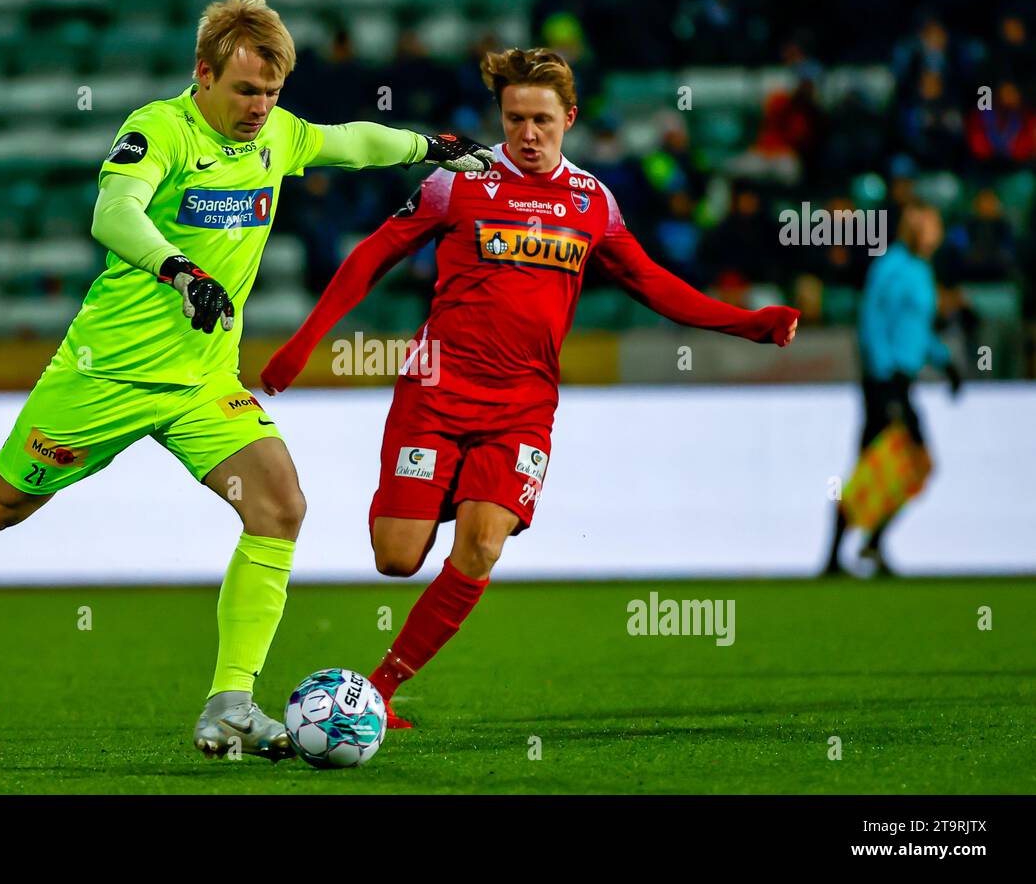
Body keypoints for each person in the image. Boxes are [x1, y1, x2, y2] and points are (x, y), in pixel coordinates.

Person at [0, 0, 495, 760]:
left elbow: (347, 141)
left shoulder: (278, 136)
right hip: (104, 375)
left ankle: (230, 705)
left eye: (271, 93)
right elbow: (113, 214)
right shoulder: (159, 129)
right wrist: (179, 269)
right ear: (204, 74)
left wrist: (428, 146)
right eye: (245, 90)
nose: (259, 107)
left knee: (280, 508)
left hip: (203, 384)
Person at [261, 48, 799, 728]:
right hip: (435, 394)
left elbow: (651, 282)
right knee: (396, 558)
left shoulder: (592, 202)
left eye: (542, 120)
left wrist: (747, 323)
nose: (528, 134)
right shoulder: (457, 183)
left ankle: (382, 688)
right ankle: (448, 492)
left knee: (483, 545)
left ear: (569, 118)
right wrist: (305, 342)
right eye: (515, 119)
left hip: (521, 408)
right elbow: (374, 253)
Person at [824, 202, 962, 577]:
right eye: (930, 226)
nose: (936, 235)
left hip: (901, 381)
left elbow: (916, 327)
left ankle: (866, 545)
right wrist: (883, 379)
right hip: (885, 382)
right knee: (880, 466)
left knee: (909, 466)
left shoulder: (920, 270)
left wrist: (943, 361)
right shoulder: (890, 267)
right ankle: (841, 553)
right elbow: (871, 323)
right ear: (915, 228)